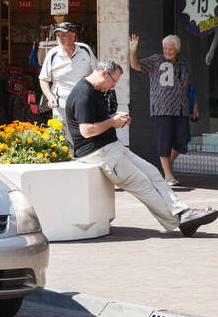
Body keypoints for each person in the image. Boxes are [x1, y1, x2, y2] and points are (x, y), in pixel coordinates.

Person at [66, 59, 216, 236]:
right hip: (100, 153)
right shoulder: (84, 94)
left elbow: (98, 120)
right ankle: (181, 218)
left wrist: (114, 118)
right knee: (143, 184)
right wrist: (112, 122)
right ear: (104, 74)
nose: (114, 85)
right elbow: (87, 130)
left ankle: (184, 213)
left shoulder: (96, 89)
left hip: (111, 147)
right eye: (114, 81)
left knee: (152, 173)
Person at [129, 32, 199, 186]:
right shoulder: (156, 60)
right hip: (162, 108)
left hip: (181, 109)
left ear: (178, 49)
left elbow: (189, 86)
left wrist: (194, 105)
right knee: (165, 142)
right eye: (165, 48)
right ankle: (168, 175)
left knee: (183, 140)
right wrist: (133, 51)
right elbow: (136, 66)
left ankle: (162, 169)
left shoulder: (184, 63)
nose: (167, 51)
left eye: (171, 49)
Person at [39, 21, 97, 141]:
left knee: (85, 138)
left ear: (73, 35)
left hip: (83, 103)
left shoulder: (85, 50)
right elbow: (43, 79)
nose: (60, 38)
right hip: (61, 104)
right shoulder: (52, 54)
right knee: (64, 141)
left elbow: (96, 73)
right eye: (58, 35)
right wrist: (50, 97)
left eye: (63, 35)